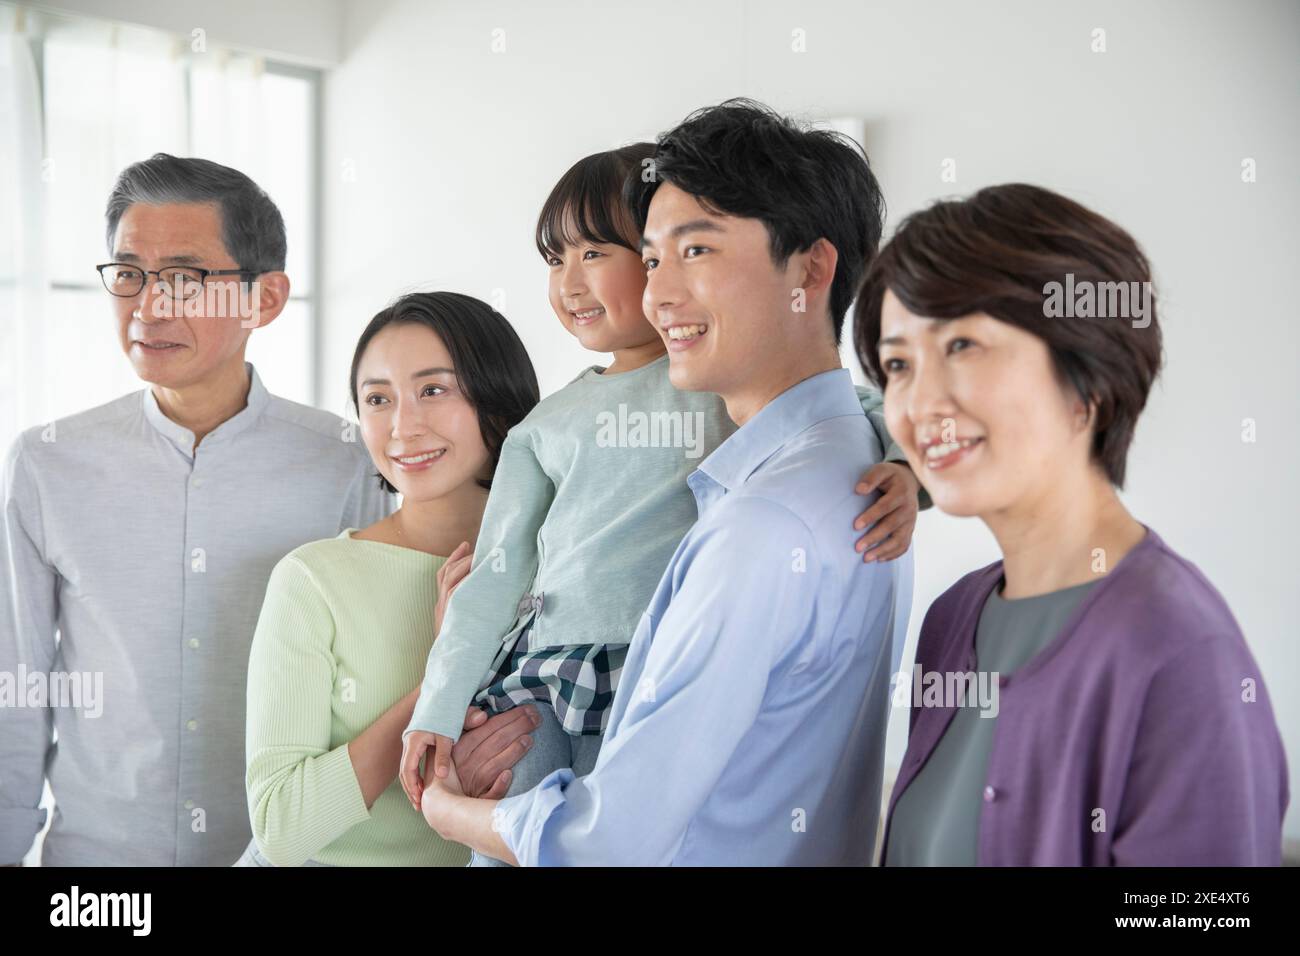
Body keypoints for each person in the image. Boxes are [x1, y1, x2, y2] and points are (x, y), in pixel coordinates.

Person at [415, 99, 913, 865]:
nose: (660, 293)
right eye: (652, 260)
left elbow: (608, 840)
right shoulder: (812, 460)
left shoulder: (762, 505)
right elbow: (499, 574)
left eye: (696, 251)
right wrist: (441, 702)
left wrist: (451, 814)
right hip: (549, 678)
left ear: (810, 270)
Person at [858, 183, 1288, 865]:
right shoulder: (952, 620)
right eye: (899, 364)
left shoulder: (1182, 654)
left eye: (963, 345)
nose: (921, 402)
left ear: (1087, 374)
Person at [0, 154, 395, 866]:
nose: (149, 307)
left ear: (263, 299)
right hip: (94, 875)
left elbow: (367, 688)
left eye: (184, 279)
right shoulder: (47, 463)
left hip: (283, 855)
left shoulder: (348, 461)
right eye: (129, 274)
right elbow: (18, 686)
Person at [238, 292, 542, 866]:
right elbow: (282, 827)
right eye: (378, 399)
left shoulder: (557, 567)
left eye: (434, 390)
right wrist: (445, 672)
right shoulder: (312, 579)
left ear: (499, 402)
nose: (402, 427)